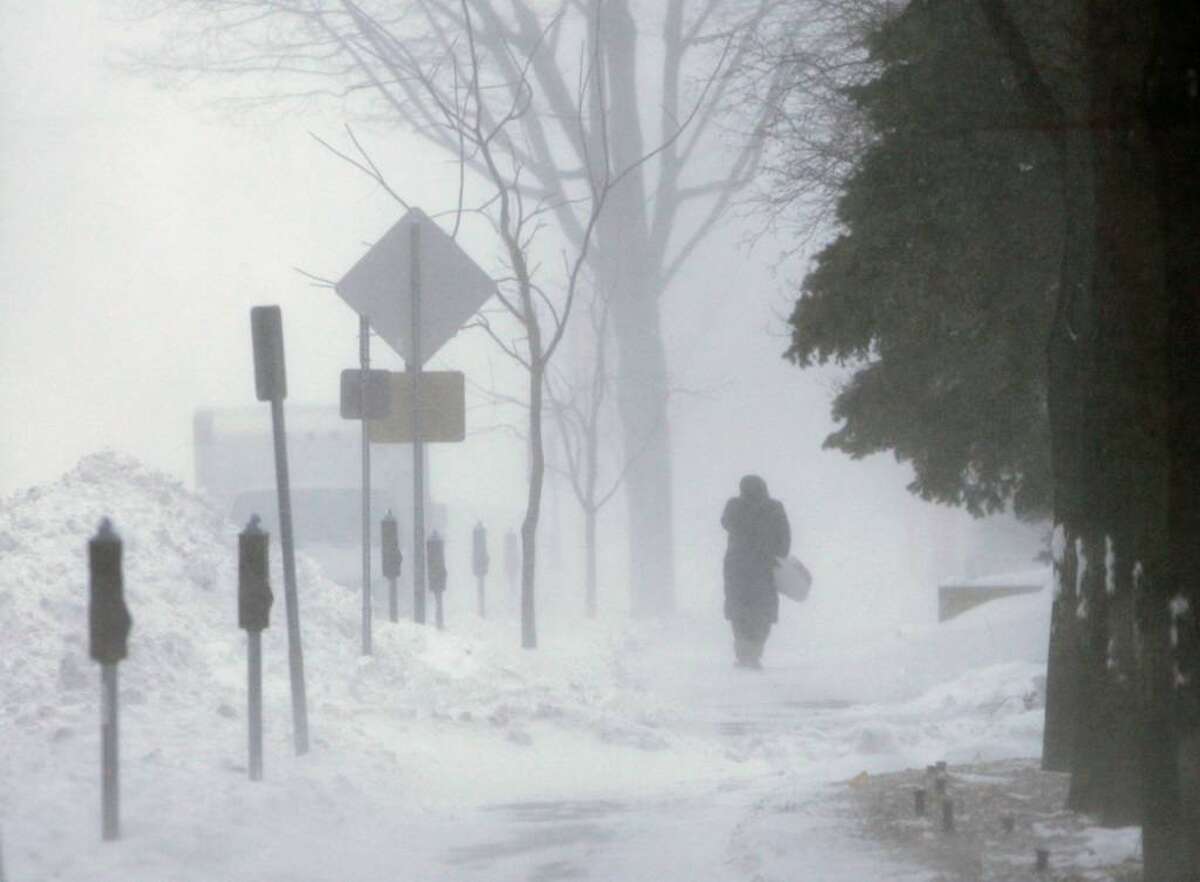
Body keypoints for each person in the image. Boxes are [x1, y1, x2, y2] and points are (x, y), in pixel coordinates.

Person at [721, 475, 791, 669]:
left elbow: (726, 522)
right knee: (762, 611)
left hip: (737, 568)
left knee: (739, 610)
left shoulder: (735, 506)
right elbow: (784, 537)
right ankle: (754, 653)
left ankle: (745, 654)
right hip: (764, 568)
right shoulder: (773, 507)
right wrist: (778, 557)